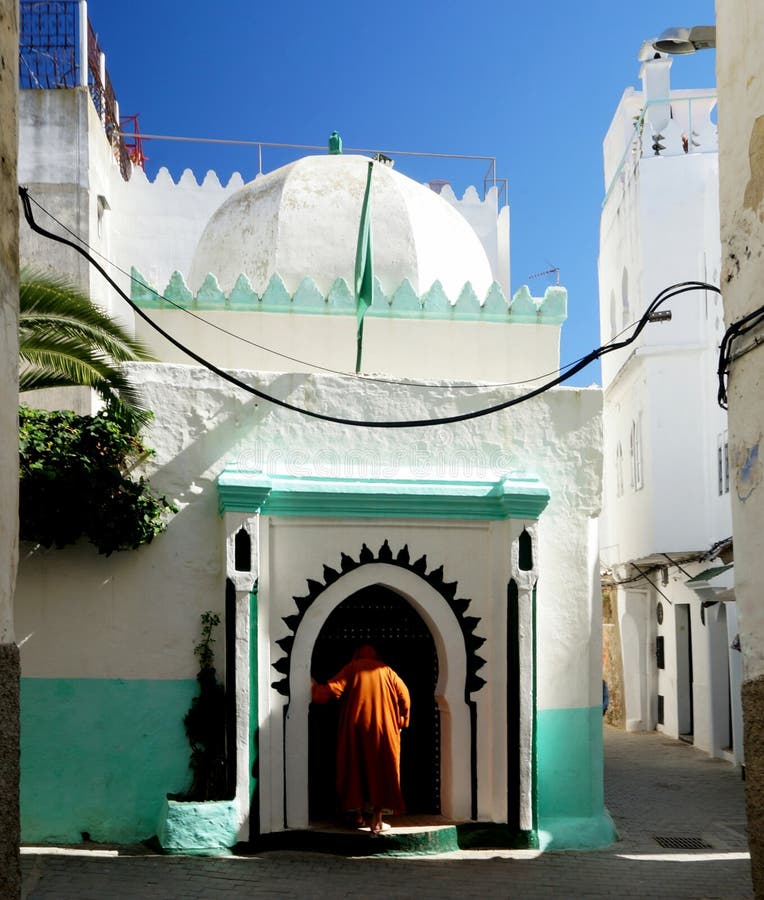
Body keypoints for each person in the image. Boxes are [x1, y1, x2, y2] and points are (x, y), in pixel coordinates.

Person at [311, 644, 410, 834]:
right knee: (380, 772)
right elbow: (405, 696)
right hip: (383, 732)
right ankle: (377, 820)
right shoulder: (387, 671)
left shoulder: (352, 668)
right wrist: (402, 721)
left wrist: (313, 687)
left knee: (356, 770)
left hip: (356, 731)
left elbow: (330, 691)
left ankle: (358, 816)